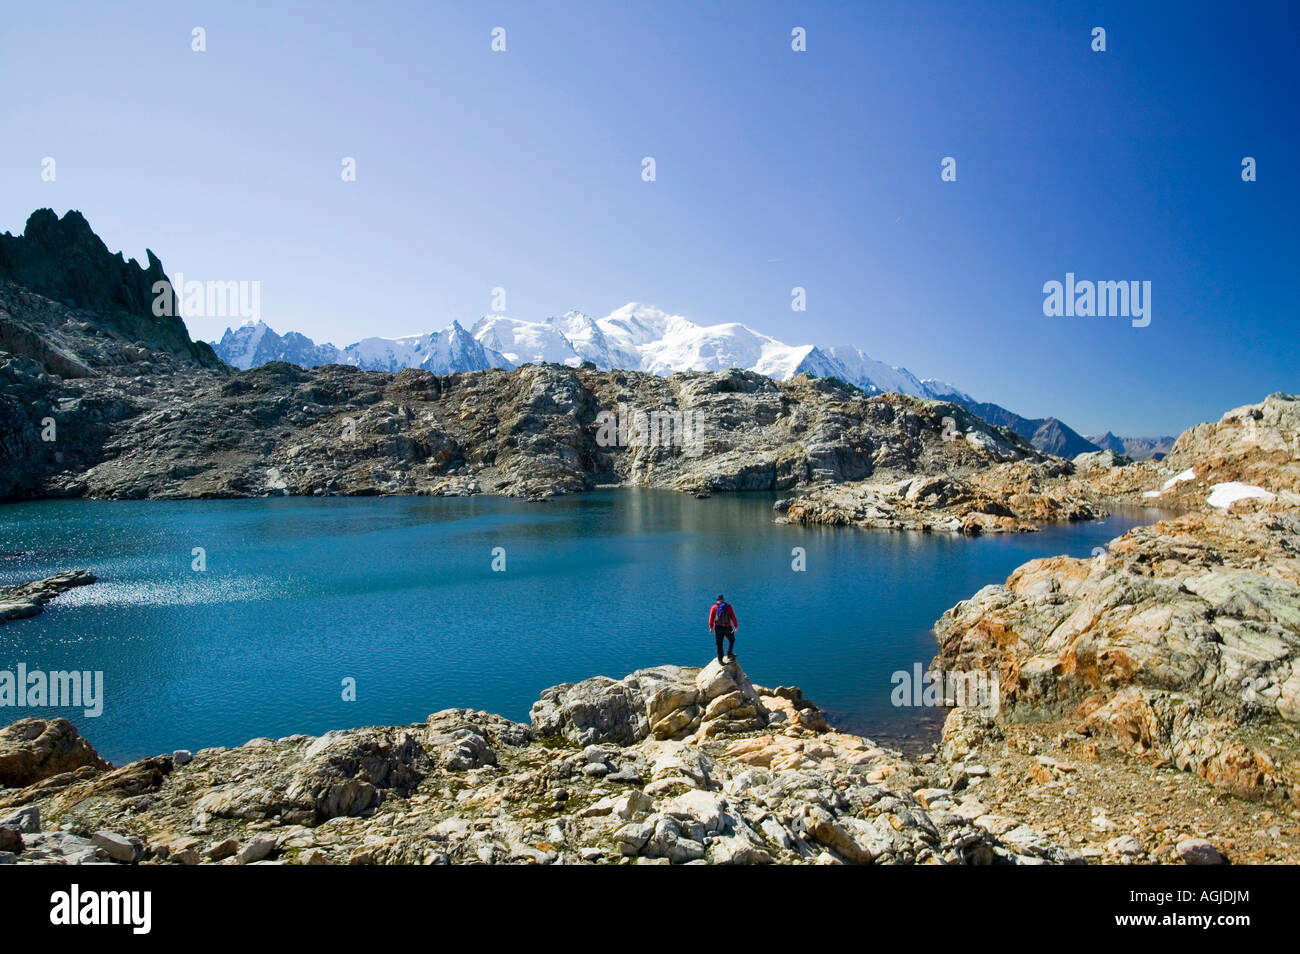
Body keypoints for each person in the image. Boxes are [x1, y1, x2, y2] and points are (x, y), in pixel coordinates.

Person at [708, 594, 739, 664]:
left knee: (719, 643)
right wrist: (736, 626)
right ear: (723, 600)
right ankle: (729, 653)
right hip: (728, 627)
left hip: (718, 628)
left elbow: (711, 618)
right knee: (732, 639)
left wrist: (711, 627)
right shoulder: (728, 606)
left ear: (717, 600)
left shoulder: (714, 607)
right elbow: (733, 616)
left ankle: (720, 659)